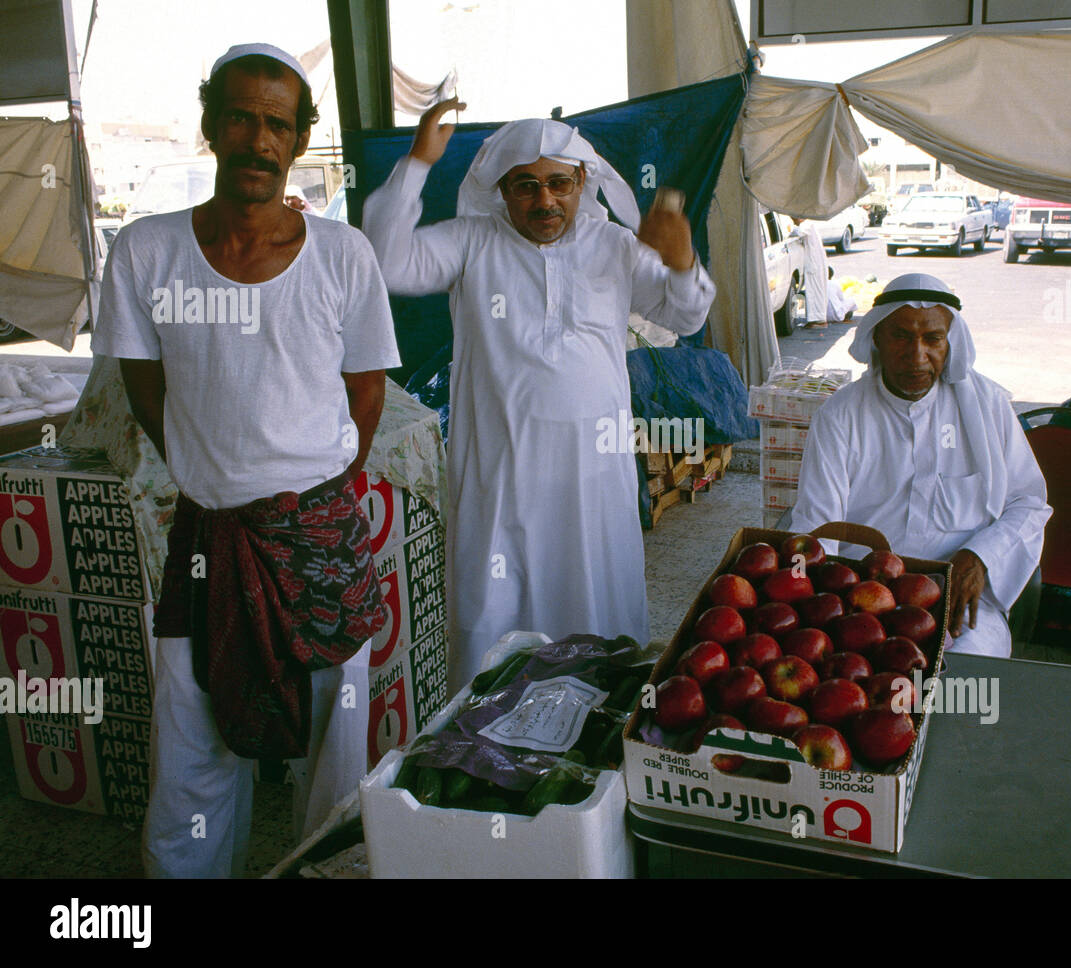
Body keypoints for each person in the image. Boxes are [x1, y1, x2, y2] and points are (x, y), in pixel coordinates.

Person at [93, 43, 402, 876]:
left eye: (277, 124)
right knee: (191, 728)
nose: (258, 140)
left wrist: (306, 499)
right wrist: (213, 474)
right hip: (209, 537)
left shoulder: (343, 255)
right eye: (240, 117)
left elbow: (363, 395)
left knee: (336, 735)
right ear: (209, 126)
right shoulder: (147, 252)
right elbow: (144, 386)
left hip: (323, 533)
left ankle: (327, 868)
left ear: (299, 139)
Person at [364, 102, 716, 690]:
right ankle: (484, 752)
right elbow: (385, 259)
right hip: (500, 480)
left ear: (583, 181)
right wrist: (419, 163)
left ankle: (593, 747)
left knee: (596, 623)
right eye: (525, 186)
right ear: (501, 190)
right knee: (495, 630)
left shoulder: (614, 246)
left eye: (558, 183)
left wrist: (680, 260)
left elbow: (684, 313)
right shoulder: (472, 242)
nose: (544, 200)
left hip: (593, 482)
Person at [789, 273, 1050, 657]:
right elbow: (817, 525)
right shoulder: (840, 415)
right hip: (858, 594)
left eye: (932, 339)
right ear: (876, 337)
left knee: (966, 676)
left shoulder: (988, 406)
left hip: (958, 594)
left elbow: (1028, 502)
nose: (917, 356)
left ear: (950, 343)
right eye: (901, 337)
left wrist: (981, 555)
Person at [790, 216, 828, 328]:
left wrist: (789, 226)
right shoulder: (808, 224)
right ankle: (814, 320)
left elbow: (795, 232)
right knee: (813, 291)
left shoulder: (807, 225)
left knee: (815, 292)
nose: (794, 221)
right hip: (814, 262)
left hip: (814, 263)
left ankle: (819, 321)